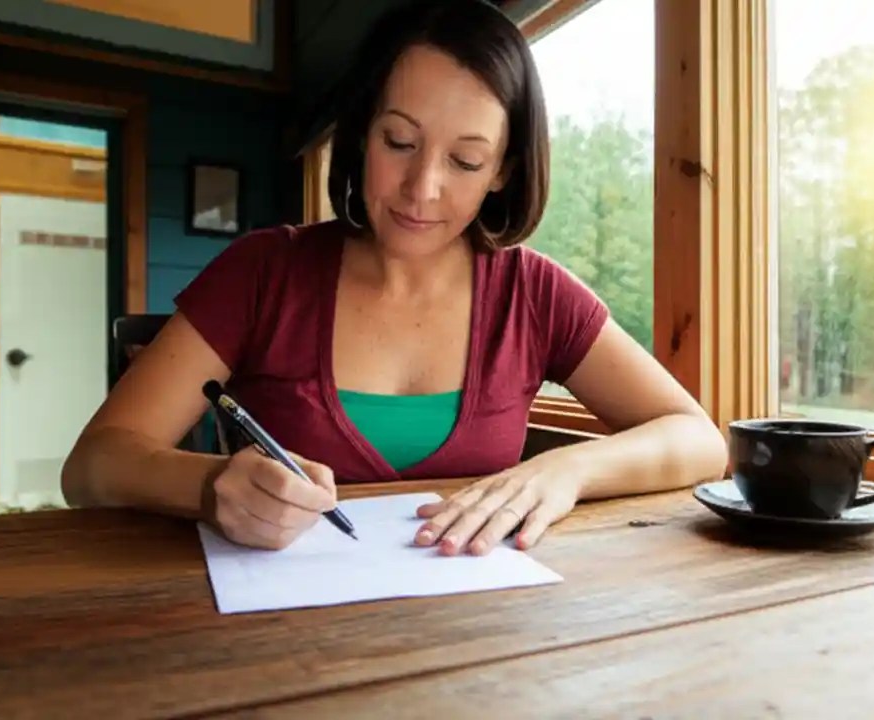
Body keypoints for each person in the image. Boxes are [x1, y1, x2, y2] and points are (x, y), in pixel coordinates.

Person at [61, 0, 727, 556]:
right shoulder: (264, 272)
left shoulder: (535, 294)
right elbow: (93, 466)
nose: (422, 189)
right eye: (400, 143)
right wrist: (210, 487)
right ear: (360, 135)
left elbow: (698, 439)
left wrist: (566, 469)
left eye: (466, 161)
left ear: (503, 171)